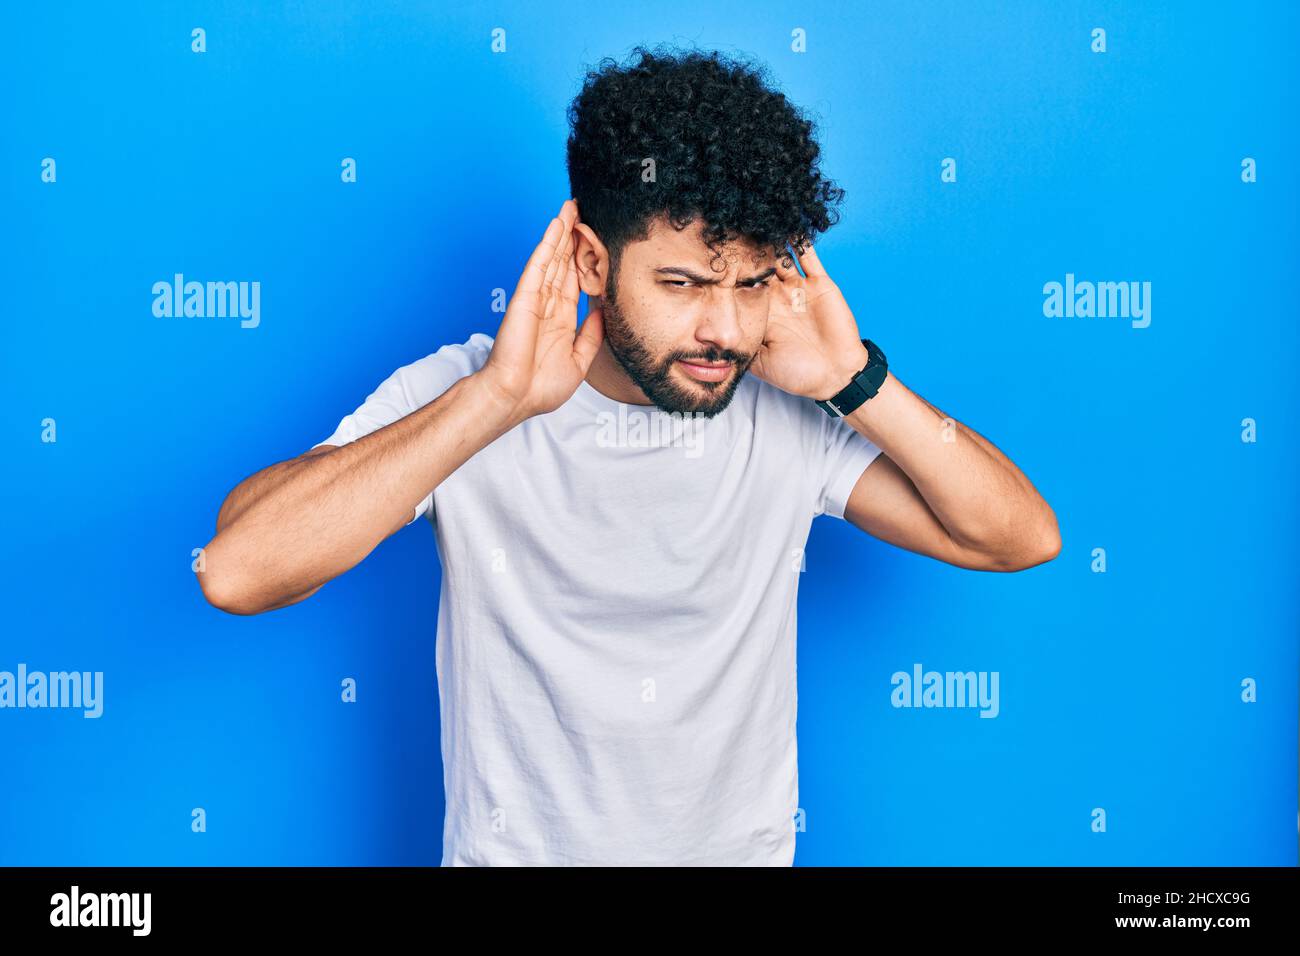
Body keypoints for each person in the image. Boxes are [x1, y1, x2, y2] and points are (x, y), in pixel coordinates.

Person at [196, 46, 1060, 866]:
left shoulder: (786, 409)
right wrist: (493, 403)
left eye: (752, 283)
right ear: (590, 259)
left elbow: (1016, 538)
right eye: (682, 284)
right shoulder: (470, 388)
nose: (723, 329)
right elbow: (236, 571)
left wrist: (854, 379)